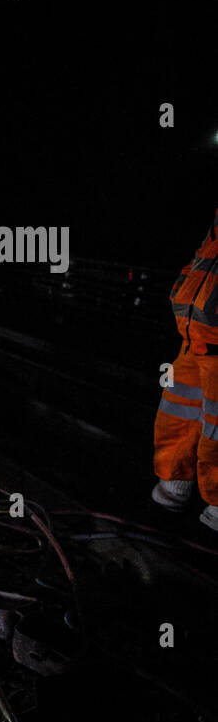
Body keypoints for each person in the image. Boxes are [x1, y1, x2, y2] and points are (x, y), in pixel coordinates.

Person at [151, 208, 218, 534]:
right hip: (193, 337)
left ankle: (216, 510)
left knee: (215, 431)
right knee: (176, 417)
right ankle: (173, 489)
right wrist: (182, 291)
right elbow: (201, 260)